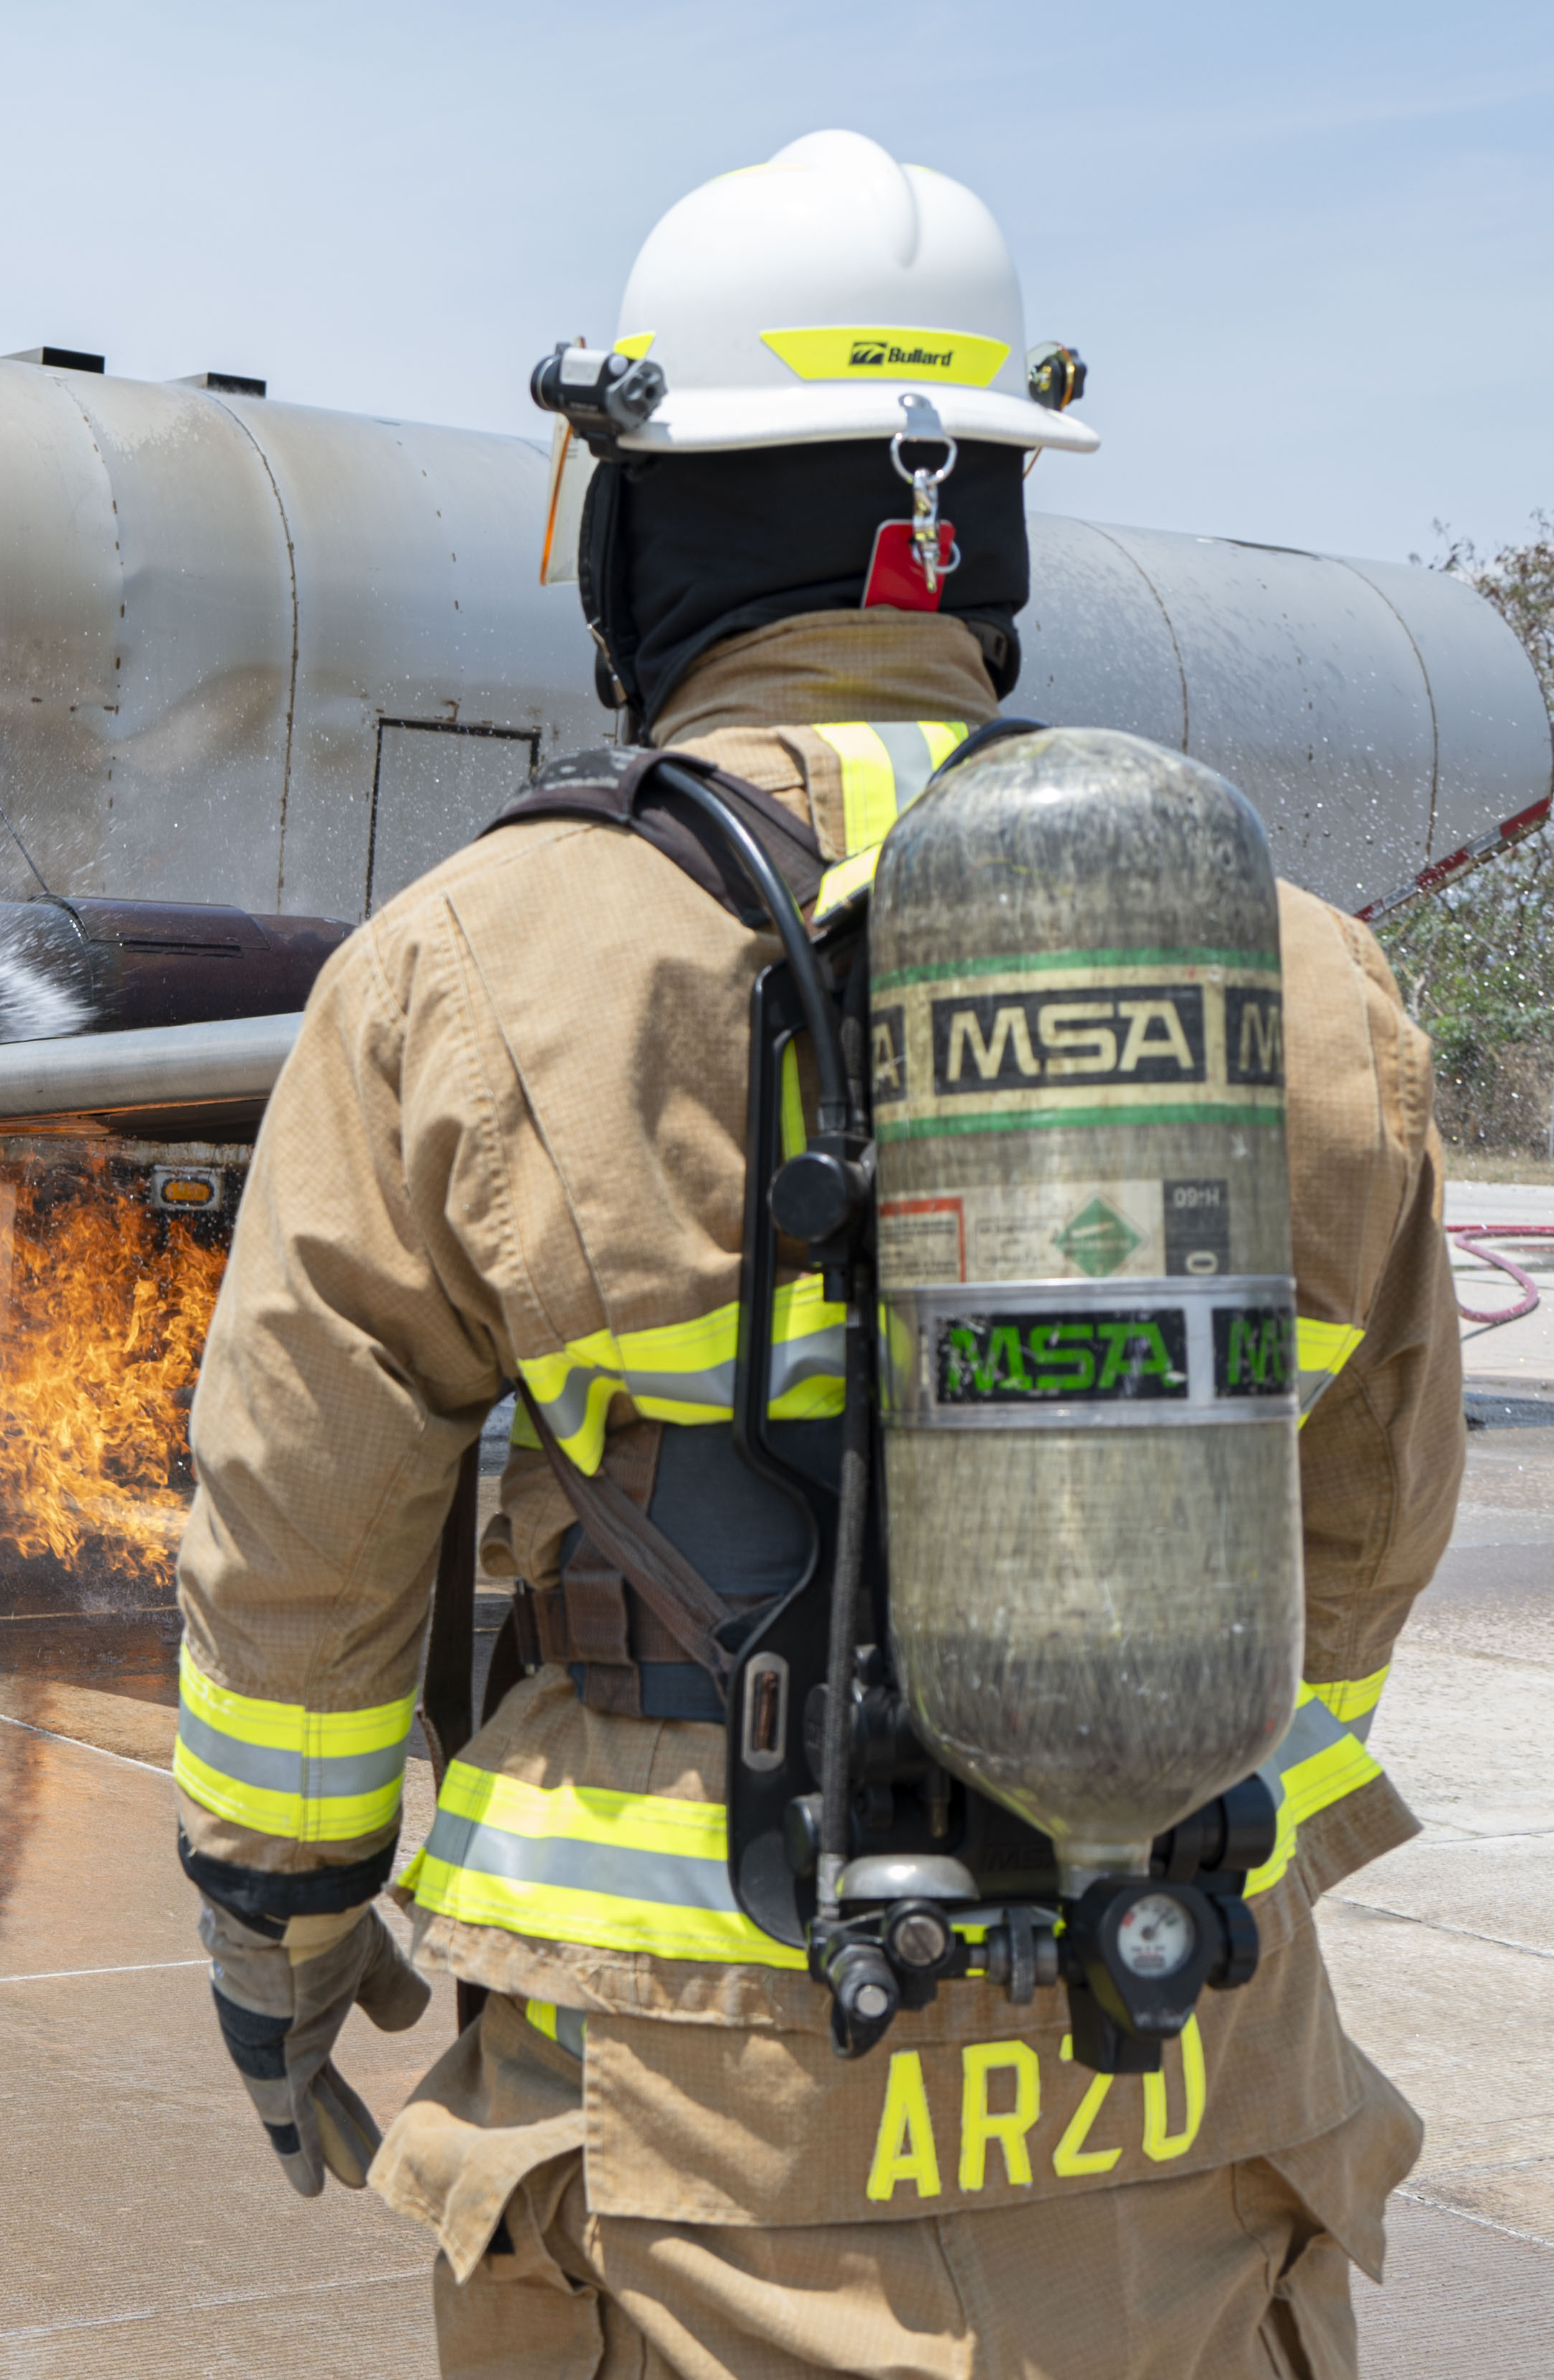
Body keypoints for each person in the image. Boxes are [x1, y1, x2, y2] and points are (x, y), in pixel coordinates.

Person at [172, 129, 1459, 2374]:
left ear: (647, 526)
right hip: (1174, 2042)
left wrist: (276, 1929)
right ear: (988, 531)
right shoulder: (1300, 975)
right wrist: (1166, 1804)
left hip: (688, 2110)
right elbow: (1362, 1515)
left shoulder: (474, 957)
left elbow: (301, 1520)